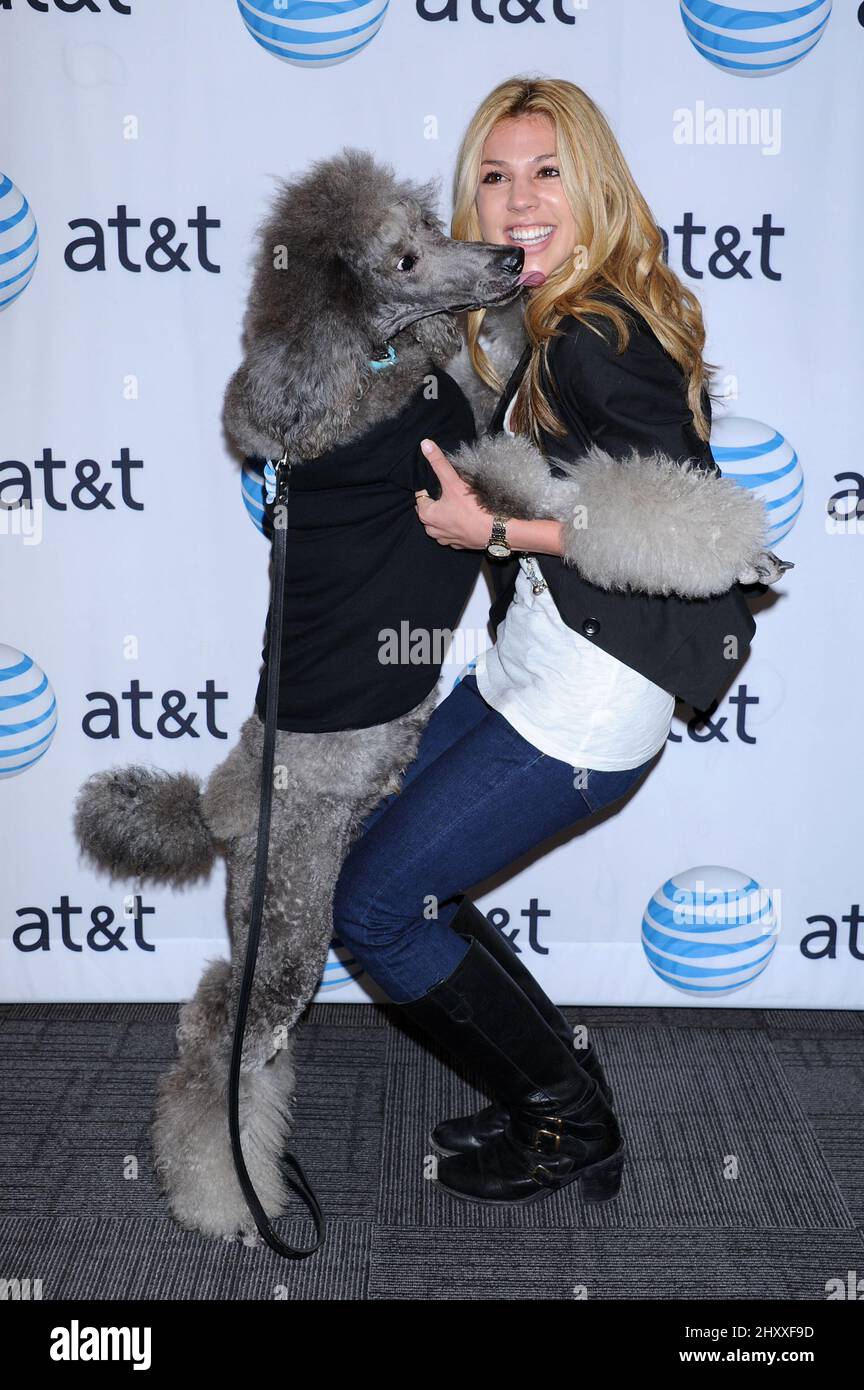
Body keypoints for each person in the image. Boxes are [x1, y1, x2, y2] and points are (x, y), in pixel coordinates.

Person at [330, 77, 778, 1208]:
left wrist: (499, 528)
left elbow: (696, 531)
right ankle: (551, 1086)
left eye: (547, 174)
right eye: (495, 174)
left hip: (589, 695)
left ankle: (567, 1119)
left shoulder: (594, 331)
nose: (520, 200)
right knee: (391, 876)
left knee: (379, 905)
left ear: (593, 189)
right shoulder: (541, 318)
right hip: (535, 661)